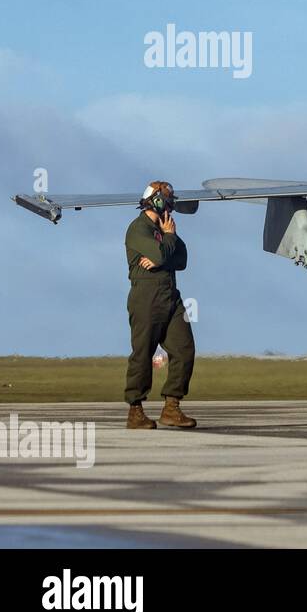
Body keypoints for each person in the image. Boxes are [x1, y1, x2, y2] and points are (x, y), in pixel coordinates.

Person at [124, 181, 197, 429]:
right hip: (146, 297)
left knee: (184, 349)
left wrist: (163, 251)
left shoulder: (164, 229)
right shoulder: (138, 229)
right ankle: (135, 411)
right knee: (143, 354)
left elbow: (182, 258)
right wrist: (166, 243)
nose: (171, 203)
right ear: (156, 199)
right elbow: (163, 254)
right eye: (168, 197)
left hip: (170, 296)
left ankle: (172, 407)